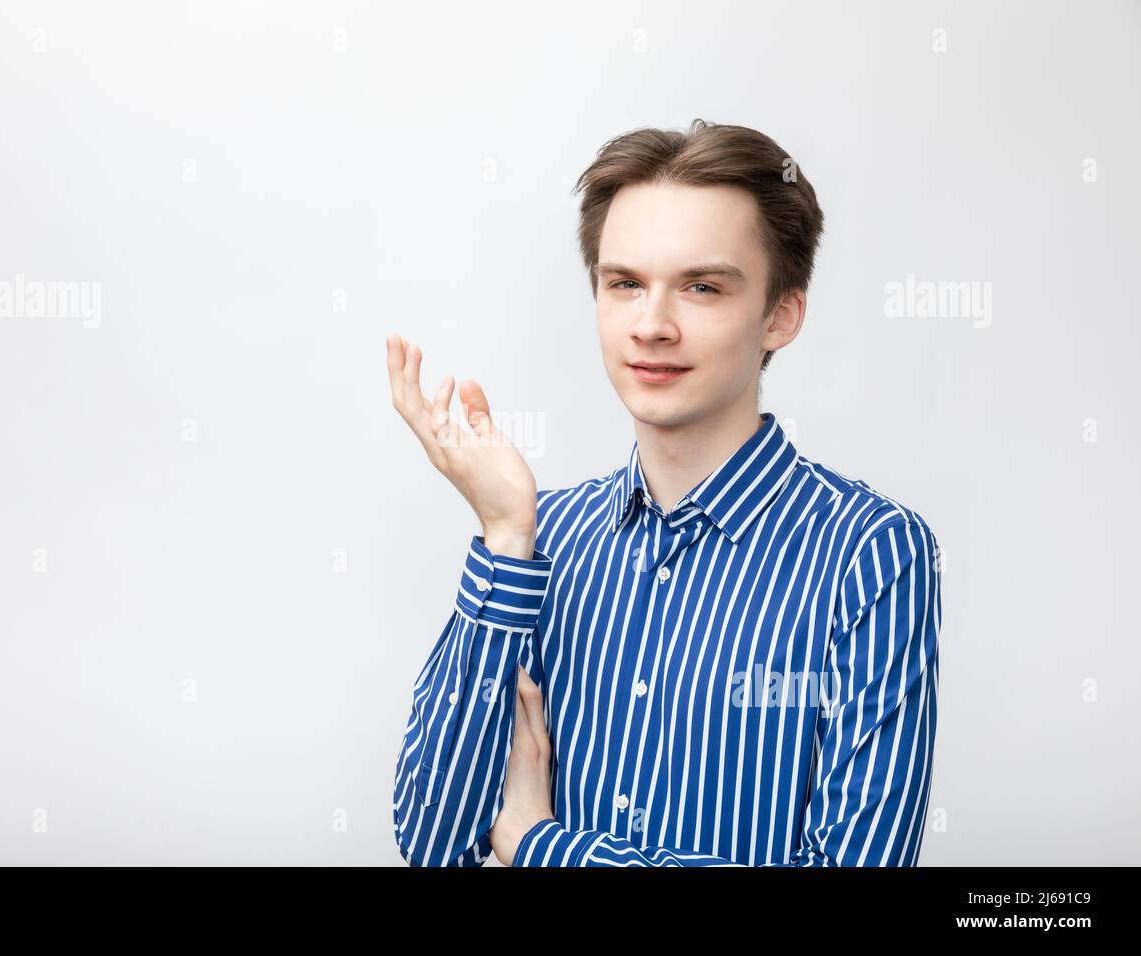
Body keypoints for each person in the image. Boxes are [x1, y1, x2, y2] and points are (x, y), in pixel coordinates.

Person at [385, 120, 942, 867]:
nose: (651, 326)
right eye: (625, 285)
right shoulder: (542, 537)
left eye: (701, 287)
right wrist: (506, 538)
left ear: (781, 315)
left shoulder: (871, 554)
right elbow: (432, 844)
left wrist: (544, 848)